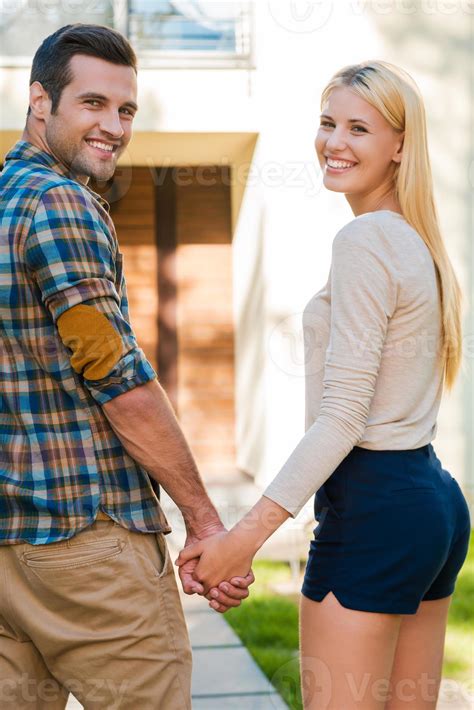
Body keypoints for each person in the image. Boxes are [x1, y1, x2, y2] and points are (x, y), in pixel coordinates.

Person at [176, 60, 472, 709]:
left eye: (359, 128)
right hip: (432, 505)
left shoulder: (365, 240)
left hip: (374, 509)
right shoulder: (418, 242)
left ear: (400, 146)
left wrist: (241, 541)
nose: (334, 142)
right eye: (328, 122)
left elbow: (342, 419)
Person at [0, 23, 253, 710]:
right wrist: (204, 521)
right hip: (87, 545)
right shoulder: (61, 204)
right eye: (93, 104)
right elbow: (117, 379)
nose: (114, 126)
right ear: (40, 102)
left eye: (127, 110)